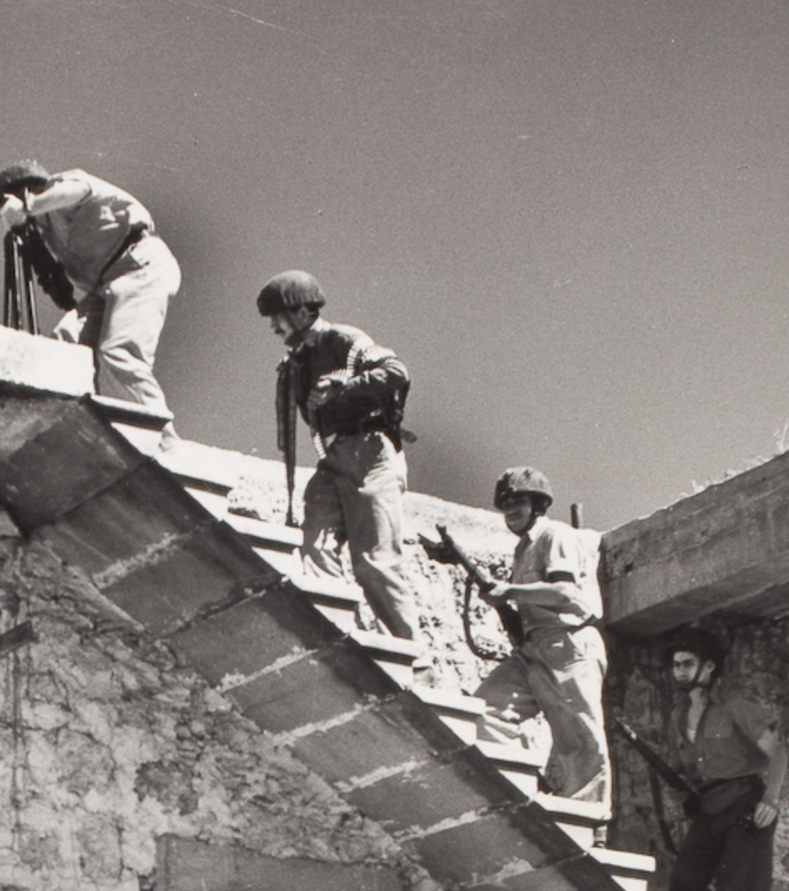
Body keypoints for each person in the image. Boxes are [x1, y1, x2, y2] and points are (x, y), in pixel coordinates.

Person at [256, 271, 425, 656]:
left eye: (278, 316)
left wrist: (344, 385)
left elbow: (397, 372)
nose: (274, 326)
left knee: (374, 564)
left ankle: (414, 662)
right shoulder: (297, 362)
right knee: (315, 545)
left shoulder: (343, 339)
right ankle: (337, 637)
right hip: (336, 457)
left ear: (302, 312)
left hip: (372, 453)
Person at [448, 468, 611, 805]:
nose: (511, 509)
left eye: (519, 502)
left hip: (569, 643)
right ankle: (526, 787)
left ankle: (588, 817)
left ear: (537, 505)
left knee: (579, 738)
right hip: (534, 648)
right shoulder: (523, 549)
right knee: (484, 711)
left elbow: (564, 591)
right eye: (505, 504)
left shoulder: (556, 535)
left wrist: (509, 591)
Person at [0, 161, 180, 422]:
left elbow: (79, 191)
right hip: (106, 287)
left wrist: (28, 206)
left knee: (118, 352)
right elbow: (55, 280)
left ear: (26, 190)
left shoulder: (60, 187)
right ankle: (84, 422)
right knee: (66, 344)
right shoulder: (47, 234)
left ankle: (160, 439)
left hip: (139, 265)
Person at [662, 627, 787, 891]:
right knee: (683, 887)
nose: (680, 671)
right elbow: (680, 770)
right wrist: (678, 791)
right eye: (676, 665)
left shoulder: (734, 705)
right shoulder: (678, 716)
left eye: (688, 664)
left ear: (709, 666)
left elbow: (777, 752)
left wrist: (771, 801)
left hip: (746, 804)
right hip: (708, 809)